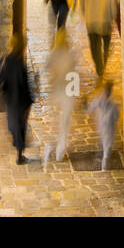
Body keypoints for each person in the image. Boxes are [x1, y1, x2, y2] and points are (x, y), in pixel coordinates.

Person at [0, 32, 34, 164]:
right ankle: (19, 154)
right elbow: (25, 84)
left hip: (10, 99)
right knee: (20, 126)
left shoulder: (5, 59)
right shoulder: (19, 64)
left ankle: (18, 148)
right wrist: (30, 101)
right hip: (20, 101)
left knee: (14, 124)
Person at [79, 0, 119, 81]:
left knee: (94, 45)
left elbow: (82, 3)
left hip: (91, 20)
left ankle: (99, 66)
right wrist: (113, 16)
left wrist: (85, 14)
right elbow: (113, 2)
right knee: (106, 44)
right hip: (105, 20)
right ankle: (104, 62)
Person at [44, 29, 79, 166]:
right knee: (64, 124)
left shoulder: (53, 55)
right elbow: (74, 76)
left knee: (55, 123)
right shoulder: (70, 56)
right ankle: (59, 153)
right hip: (67, 94)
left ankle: (51, 147)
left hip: (56, 93)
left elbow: (47, 69)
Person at [89, 80, 120, 170]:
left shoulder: (99, 99)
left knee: (102, 140)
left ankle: (100, 155)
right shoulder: (113, 105)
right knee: (107, 146)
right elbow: (116, 117)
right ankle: (104, 168)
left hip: (101, 124)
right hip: (109, 126)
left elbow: (91, 108)